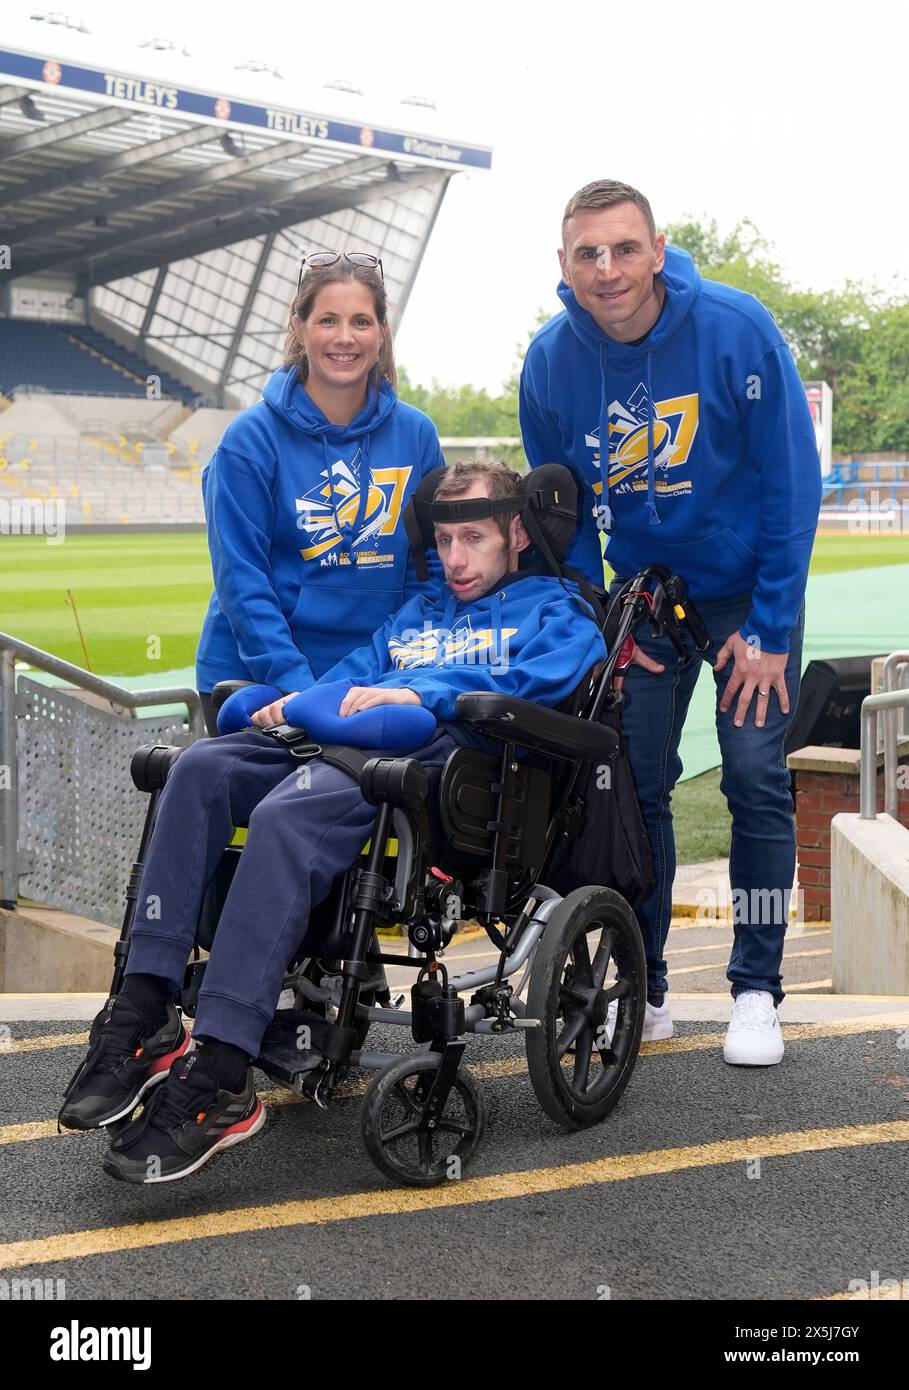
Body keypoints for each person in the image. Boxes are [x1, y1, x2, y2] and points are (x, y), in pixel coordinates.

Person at [59, 460, 606, 1182]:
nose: (455, 559)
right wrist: (293, 702)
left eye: (473, 538)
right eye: (443, 541)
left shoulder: (555, 609)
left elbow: (548, 678)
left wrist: (423, 697)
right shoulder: (419, 612)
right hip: (346, 745)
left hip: (437, 770)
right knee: (198, 769)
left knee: (288, 813)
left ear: (516, 532)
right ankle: (146, 1002)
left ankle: (221, 1068)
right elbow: (349, 675)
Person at [519, 179, 822, 1066]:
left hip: (745, 596)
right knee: (632, 780)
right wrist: (593, 623)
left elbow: (790, 486)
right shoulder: (549, 360)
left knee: (756, 777)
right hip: (643, 596)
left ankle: (757, 987)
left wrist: (767, 627)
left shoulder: (735, 328)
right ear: (565, 266)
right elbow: (556, 515)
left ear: (656, 250)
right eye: (587, 253)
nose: (607, 270)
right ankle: (644, 983)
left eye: (622, 249)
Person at [195, 250, 444, 737]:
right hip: (258, 679)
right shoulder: (248, 441)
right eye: (328, 320)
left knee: (368, 812)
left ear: (381, 332)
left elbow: (432, 569)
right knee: (273, 811)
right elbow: (242, 582)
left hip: (374, 683)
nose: (345, 338)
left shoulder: (418, 435)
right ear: (300, 326)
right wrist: (300, 689)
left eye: (361, 321)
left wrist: (391, 670)